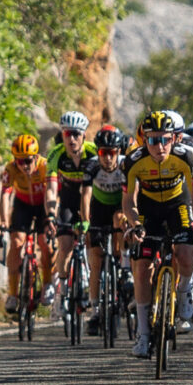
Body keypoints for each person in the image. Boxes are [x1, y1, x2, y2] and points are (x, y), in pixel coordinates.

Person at [119, 111, 193, 358]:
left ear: (174, 138)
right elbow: (128, 201)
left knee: (185, 253)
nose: (160, 146)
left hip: (178, 204)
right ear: (145, 140)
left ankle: (184, 291)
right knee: (142, 267)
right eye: (153, 140)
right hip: (148, 208)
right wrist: (135, 224)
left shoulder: (187, 156)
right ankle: (143, 334)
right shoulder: (133, 161)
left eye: (165, 139)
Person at [44, 111, 97, 316]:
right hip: (67, 199)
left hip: (91, 199)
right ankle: (62, 291)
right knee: (65, 245)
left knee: (92, 242)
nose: (72, 139)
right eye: (67, 134)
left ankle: (92, 284)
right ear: (62, 135)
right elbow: (51, 189)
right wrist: (50, 214)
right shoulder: (56, 155)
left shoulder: (93, 153)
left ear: (84, 135)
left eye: (76, 134)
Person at [81, 125, 132, 328]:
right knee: (96, 258)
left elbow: (132, 194)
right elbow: (85, 197)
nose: (108, 158)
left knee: (119, 218)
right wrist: (85, 222)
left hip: (120, 205)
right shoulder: (92, 166)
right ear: (98, 152)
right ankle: (95, 310)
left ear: (118, 151)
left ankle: (125, 266)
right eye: (103, 153)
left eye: (112, 153)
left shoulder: (126, 165)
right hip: (99, 207)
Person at [0, 134, 52, 316]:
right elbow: (5, 195)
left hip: (43, 205)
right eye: (20, 161)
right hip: (23, 205)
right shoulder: (10, 169)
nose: (24, 166)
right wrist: (4, 221)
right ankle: (12, 294)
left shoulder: (45, 166)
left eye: (28, 161)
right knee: (16, 243)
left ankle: (47, 284)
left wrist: (51, 217)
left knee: (45, 243)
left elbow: (53, 192)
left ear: (36, 157)